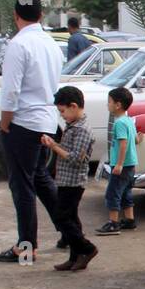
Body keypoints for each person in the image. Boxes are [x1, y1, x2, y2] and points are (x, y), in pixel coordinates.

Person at [0, 0, 65, 263]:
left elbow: (11, 91)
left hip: (23, 122)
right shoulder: (51, 44)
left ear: (16, 15)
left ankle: (26, 248)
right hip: (47, 120)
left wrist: (4, 123)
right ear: (41, 15)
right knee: (40, 180)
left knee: (22, 186)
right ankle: (69, 231)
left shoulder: (18, 44)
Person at [41, 85, 99, 270]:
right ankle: (75, 257)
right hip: (66, 180)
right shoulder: (73, 126)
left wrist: (54, 147)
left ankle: (87, 248)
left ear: (74, 106)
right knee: (71, 218)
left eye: (63, 111)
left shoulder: (82, 130)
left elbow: (75, 159)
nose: (62, 115)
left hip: (74, 182)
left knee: (62, 217)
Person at [95, 87, 137, 235]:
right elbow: (134, 139)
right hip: (130, 164)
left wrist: (118, 164)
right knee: (126, 192)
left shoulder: (119, 123)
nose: (107, 105)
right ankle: (129, 219)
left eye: (109, 102)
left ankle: (113, 223)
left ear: (117, 105)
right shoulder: (128, 120)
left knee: (112, 193)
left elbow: (123, 143)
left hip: (122, 165)